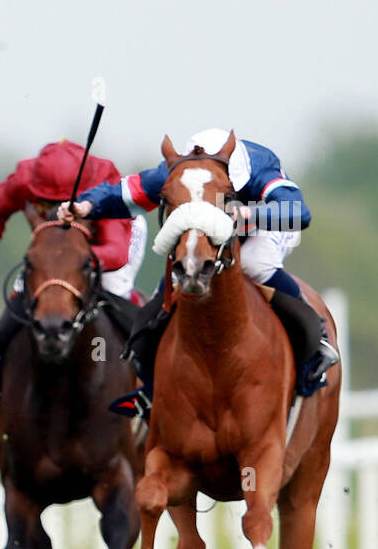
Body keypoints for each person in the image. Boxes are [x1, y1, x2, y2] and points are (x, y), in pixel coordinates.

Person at [58, 128, 340, 418]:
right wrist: (85, 205)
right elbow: (121, 192)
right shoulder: (178, 171)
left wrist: (249, 214)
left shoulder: (257, 167)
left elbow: (298, 213)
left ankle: (316, 338)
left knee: (255, 263)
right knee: (160, 299)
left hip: (261, 228)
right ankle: (152, 388)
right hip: (203, 240)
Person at [0, 139, 148, 396]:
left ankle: (147, 370)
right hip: (53, 250)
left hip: (114, 236)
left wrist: (72, 262)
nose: (54, 212)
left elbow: (115, 252)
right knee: (23, 296)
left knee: (113, 289)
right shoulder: (24, 178)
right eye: (45, 205)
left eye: (60, 204)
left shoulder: (104, 180)